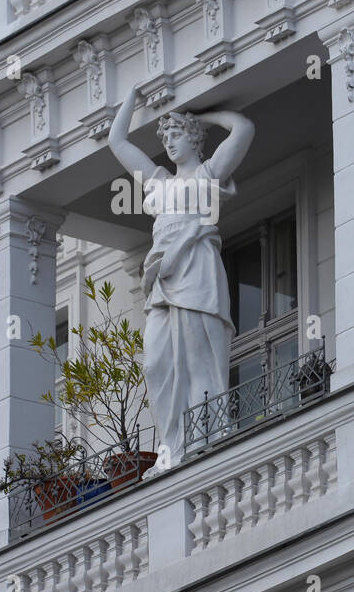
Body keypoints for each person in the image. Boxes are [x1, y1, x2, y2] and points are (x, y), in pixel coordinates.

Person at [107, 90, 255, 471]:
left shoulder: (208, 176)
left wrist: (204, 116)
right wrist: (132, 93)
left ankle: (207, 438)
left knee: (199, 355)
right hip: (163, 278)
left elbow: (243, 127)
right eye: (165, 137)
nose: (169, 143)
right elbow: (117, 140)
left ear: (194, 138)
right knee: (157, 363)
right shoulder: (158, 183)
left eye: (177, 134)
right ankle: (172, 448)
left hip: (197, 270)